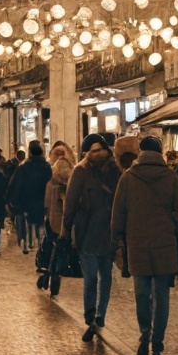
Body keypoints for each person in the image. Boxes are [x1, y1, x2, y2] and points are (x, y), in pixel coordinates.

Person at [114, 136, 178, 355]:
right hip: (165, 245)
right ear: (160, 152)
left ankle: (144, 331)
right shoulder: (171, 177)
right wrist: (168, 223)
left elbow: (118, 215)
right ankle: (158, 342)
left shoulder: (127, 178)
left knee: (141, 294)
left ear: (140, 153)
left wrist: (119, 239)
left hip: (137, 244)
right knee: (162, 296)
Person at [64, 133, 122, 341]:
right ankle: (90, 314)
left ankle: (100, 315)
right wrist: (65, 230)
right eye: (92, 151)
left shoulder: (116, 171)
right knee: (90, 277)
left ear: (107, 149)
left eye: (100, 150)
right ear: (87, 153)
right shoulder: (80, 172)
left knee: (106, 277)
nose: (97, 154)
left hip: (109, 233)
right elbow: (70, 203)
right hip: (86, 232)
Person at [39, 142, 75, 295]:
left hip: (52, 219)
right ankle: (56, 273)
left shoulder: (50, 176)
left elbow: (46, 201)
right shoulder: (72, 177)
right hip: (66, 221)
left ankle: (48, 271)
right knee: (61, 249)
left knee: (50, 246)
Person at [10, 140, 51, 256]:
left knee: (27, 223)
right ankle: (41, 244)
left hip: (26, 200)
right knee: (41, 223)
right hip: (41, 199)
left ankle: (27, 245)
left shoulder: (23, 166)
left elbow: (15, 184)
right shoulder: (47, 166)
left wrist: (14, 200)